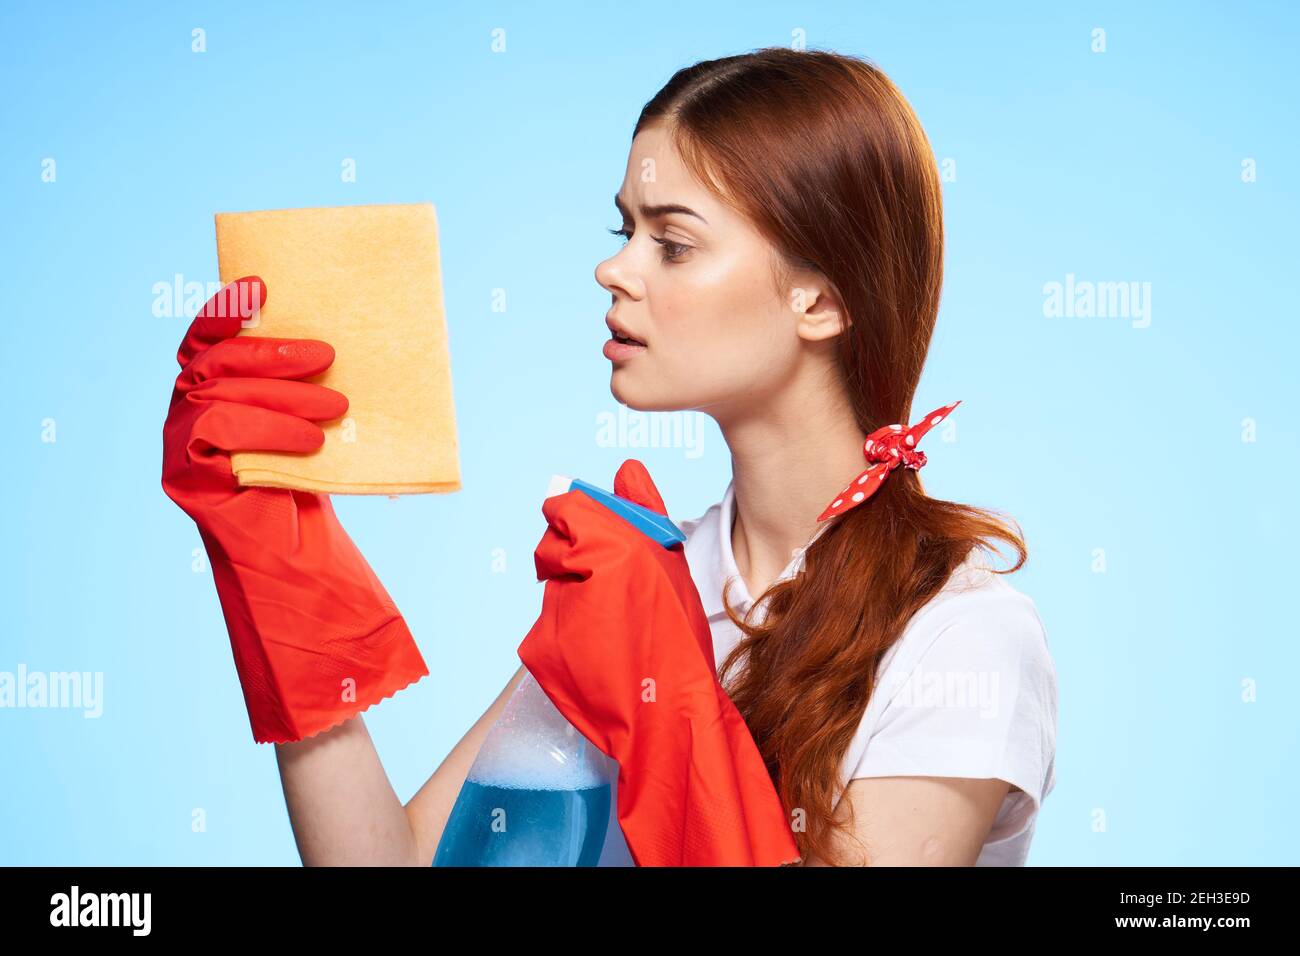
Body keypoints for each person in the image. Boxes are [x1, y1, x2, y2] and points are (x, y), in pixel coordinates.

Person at [165, 47, 1057, 867]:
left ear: (818, 300)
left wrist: (664, 701)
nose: (616, 271)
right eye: (622, 232)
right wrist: (277, 557)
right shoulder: (653, 583)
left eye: (672, 243)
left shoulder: (962, 637)